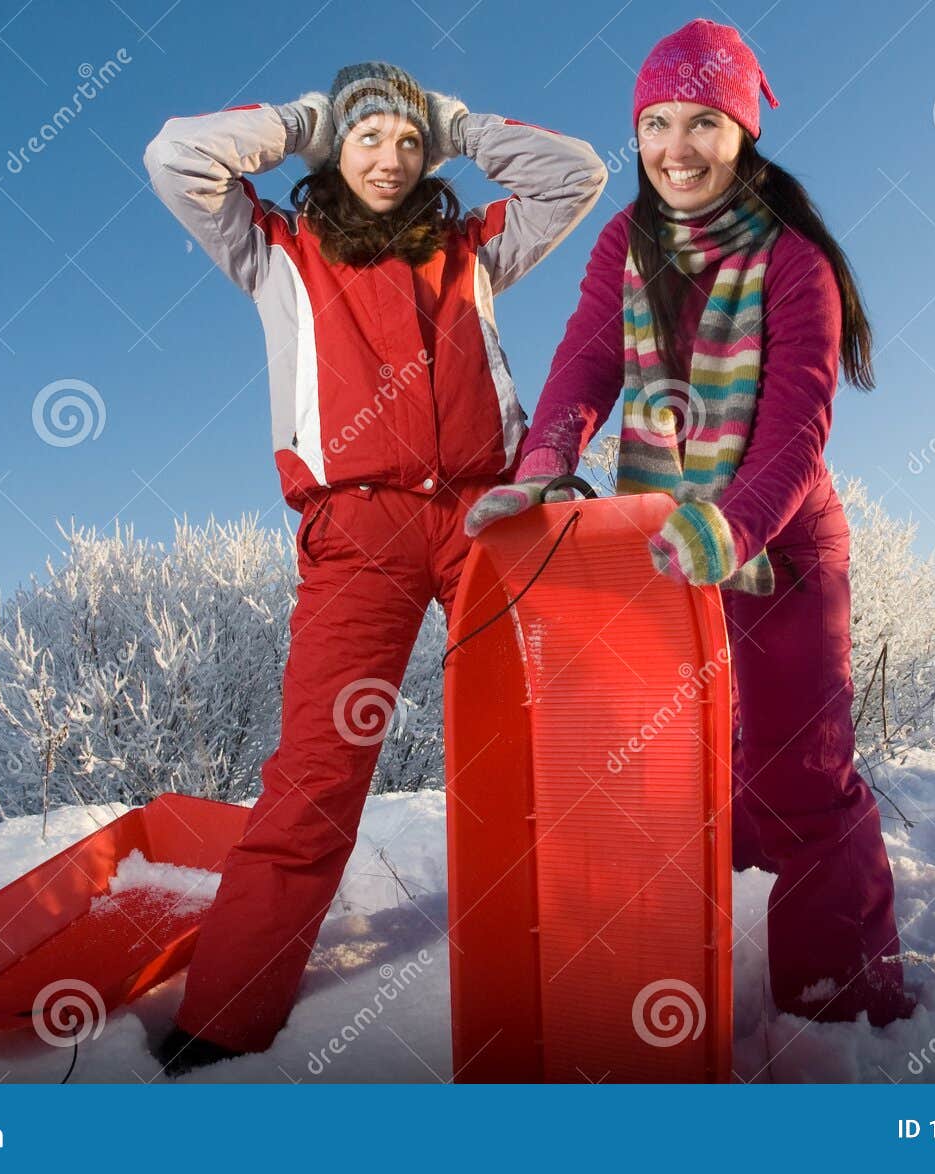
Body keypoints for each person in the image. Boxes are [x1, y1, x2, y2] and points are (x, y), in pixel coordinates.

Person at [142, 62, 607, 1074]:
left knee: (556, 736)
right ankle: (226, 1010)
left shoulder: (474, 247)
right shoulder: (277, 250)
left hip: (490, 520)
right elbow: (176, 154)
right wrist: (307, 119)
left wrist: (457, 120)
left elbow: (576, 174)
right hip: (357, 531)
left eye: (407, 141)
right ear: (331, 152)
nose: (390, 159)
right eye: (367, 139)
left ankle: (589, 959)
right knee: (319, 767)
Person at [467, 19, 913, 1028]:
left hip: (782, 540)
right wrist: (542, 468)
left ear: (742, 133)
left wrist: (730, 527)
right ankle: (656, 976)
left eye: (703, 122)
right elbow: (585, 358)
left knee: (800, 773)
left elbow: (796, 427)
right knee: (663, 768)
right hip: (658, 535)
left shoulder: (791, 263)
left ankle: (835, 1007)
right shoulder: (625, 243)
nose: (676, 146)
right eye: (656, 122)